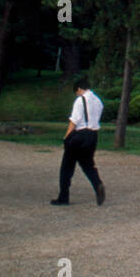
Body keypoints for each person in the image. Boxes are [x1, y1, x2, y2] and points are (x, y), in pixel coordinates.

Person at [51, 77, 105, 206]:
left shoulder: (80, 101)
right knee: (88, 165)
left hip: (79, 135)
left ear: (79, 89)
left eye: (77, 91)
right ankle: (98, 184)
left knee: (67, 167)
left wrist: (66, 137)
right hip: (93, 135)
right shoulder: (98, 101)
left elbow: (74, 121)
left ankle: (63, 197)